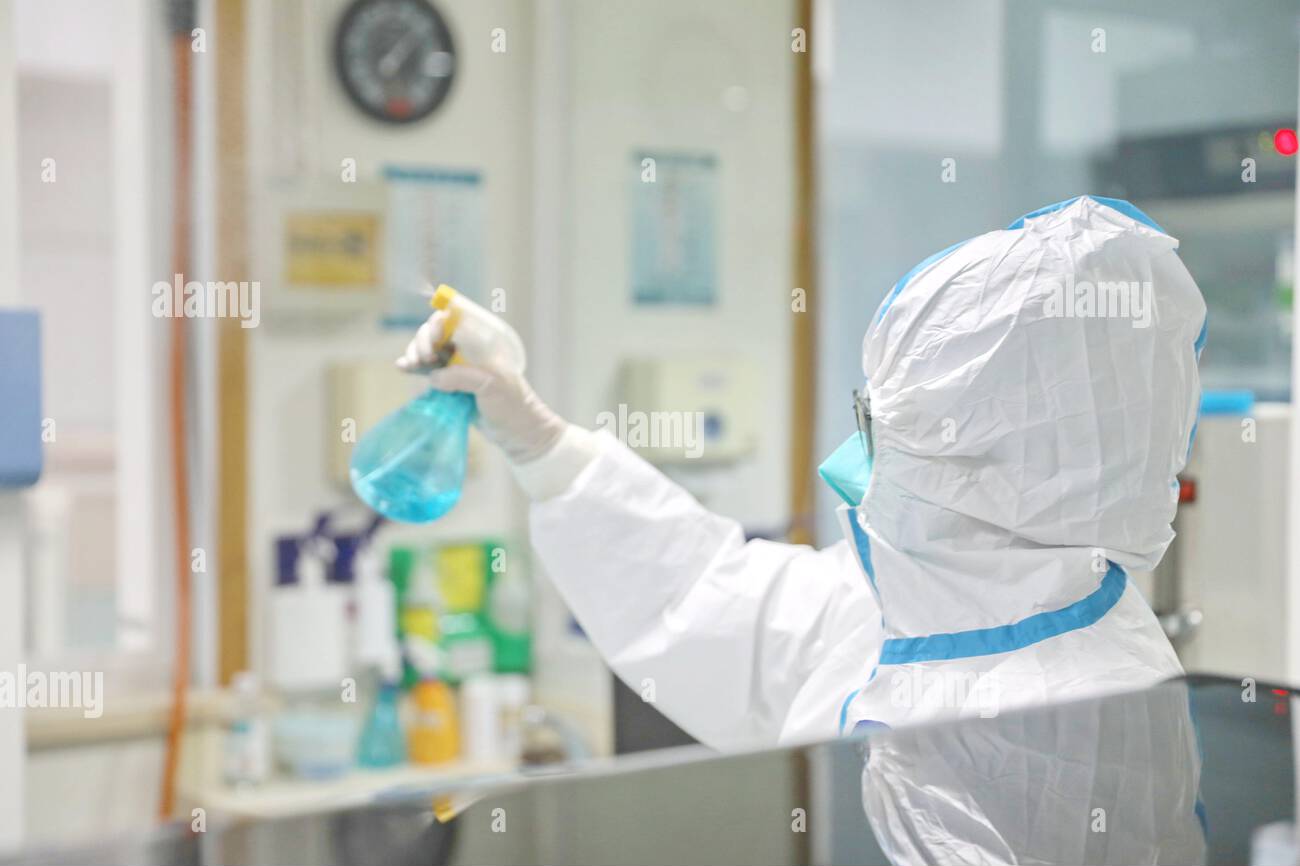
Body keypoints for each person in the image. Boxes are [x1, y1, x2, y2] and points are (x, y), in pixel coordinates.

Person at [398, 195, 1207, 753]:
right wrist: (539, 441)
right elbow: (704, 599)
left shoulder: (1095, 719)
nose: (853, 456)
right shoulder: (901, 610)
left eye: (882, 422)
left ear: (991, 463)